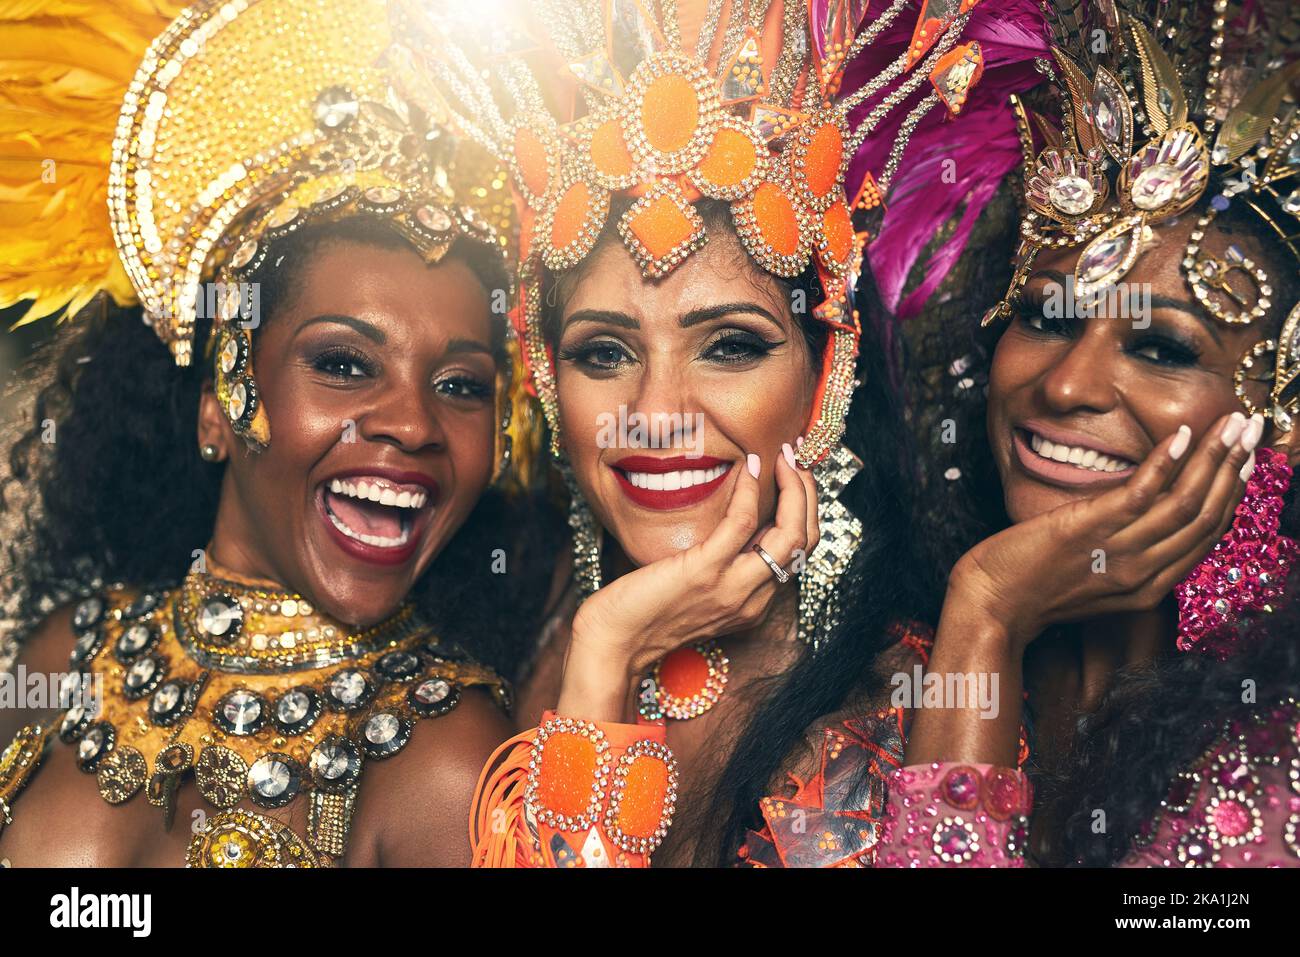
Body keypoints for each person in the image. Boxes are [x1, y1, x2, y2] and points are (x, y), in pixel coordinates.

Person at [394, 0, 1045, 866]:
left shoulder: (887, 725)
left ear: (824, 383)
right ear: (549, 383)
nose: (658, 410)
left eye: (731, 346)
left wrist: (607, 652)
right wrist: (603, 646)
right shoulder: (514, 607)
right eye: (605, 352)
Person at [0, 0, 549, 867]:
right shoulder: (67, 652)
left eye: (459, 385)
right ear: (217, 401)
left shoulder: (448, 763)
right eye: (343, 363)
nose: (413, 422)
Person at [876, 0, 1300, 867]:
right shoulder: (880, 693)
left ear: (1282, 423)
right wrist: (982, 618)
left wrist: (990, 611)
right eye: (1046, 317)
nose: (1065, 385)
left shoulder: (1276, 765)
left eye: (1159, 347)